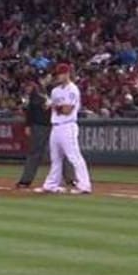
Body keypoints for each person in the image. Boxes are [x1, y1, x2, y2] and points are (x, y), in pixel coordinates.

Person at [41, 63, 92, 194]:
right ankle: (51, 184)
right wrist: (48, 106)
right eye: (57, 74)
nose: (58, 76)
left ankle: (84, 185)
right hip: (56, 126)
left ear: (67, 74)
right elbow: (52, 108)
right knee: (55, 158)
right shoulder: (55, 91)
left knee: (74, 156)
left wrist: (53, 105)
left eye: (61, 73)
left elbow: (67, 110)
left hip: (68, 126)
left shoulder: (73, 89)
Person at [16, 76, 72, 189]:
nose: (28, 88)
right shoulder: (35, 96)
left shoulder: (50, 91)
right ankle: (26, 180)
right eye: (27, 86)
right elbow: (30, 111)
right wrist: (28, 125)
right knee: (36, 153)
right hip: (40, 126)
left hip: (51, 126)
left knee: (60, 152)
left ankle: (71, 179)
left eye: (30, 86)